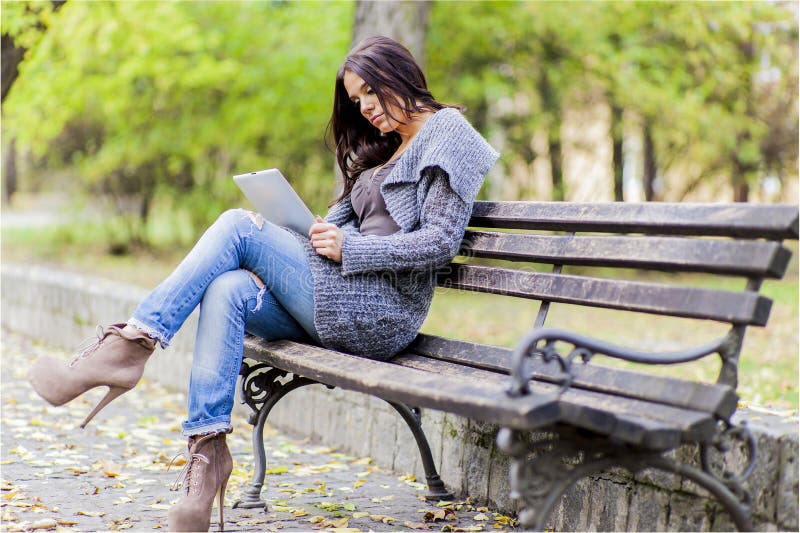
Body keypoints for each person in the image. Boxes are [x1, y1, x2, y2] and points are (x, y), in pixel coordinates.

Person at [28, 35, 499, 532]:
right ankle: (206, 462)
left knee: (237, 224)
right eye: (356, 100)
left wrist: (350, 248)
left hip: (380, 313)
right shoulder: (387, 148)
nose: (364, 109)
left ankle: (129, 347)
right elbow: (340, 226)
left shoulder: (448, 131)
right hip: (337, 295)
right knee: (227, 288)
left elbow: (440, 243)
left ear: (398, 76)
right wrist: (310, 231)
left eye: (370, 94)